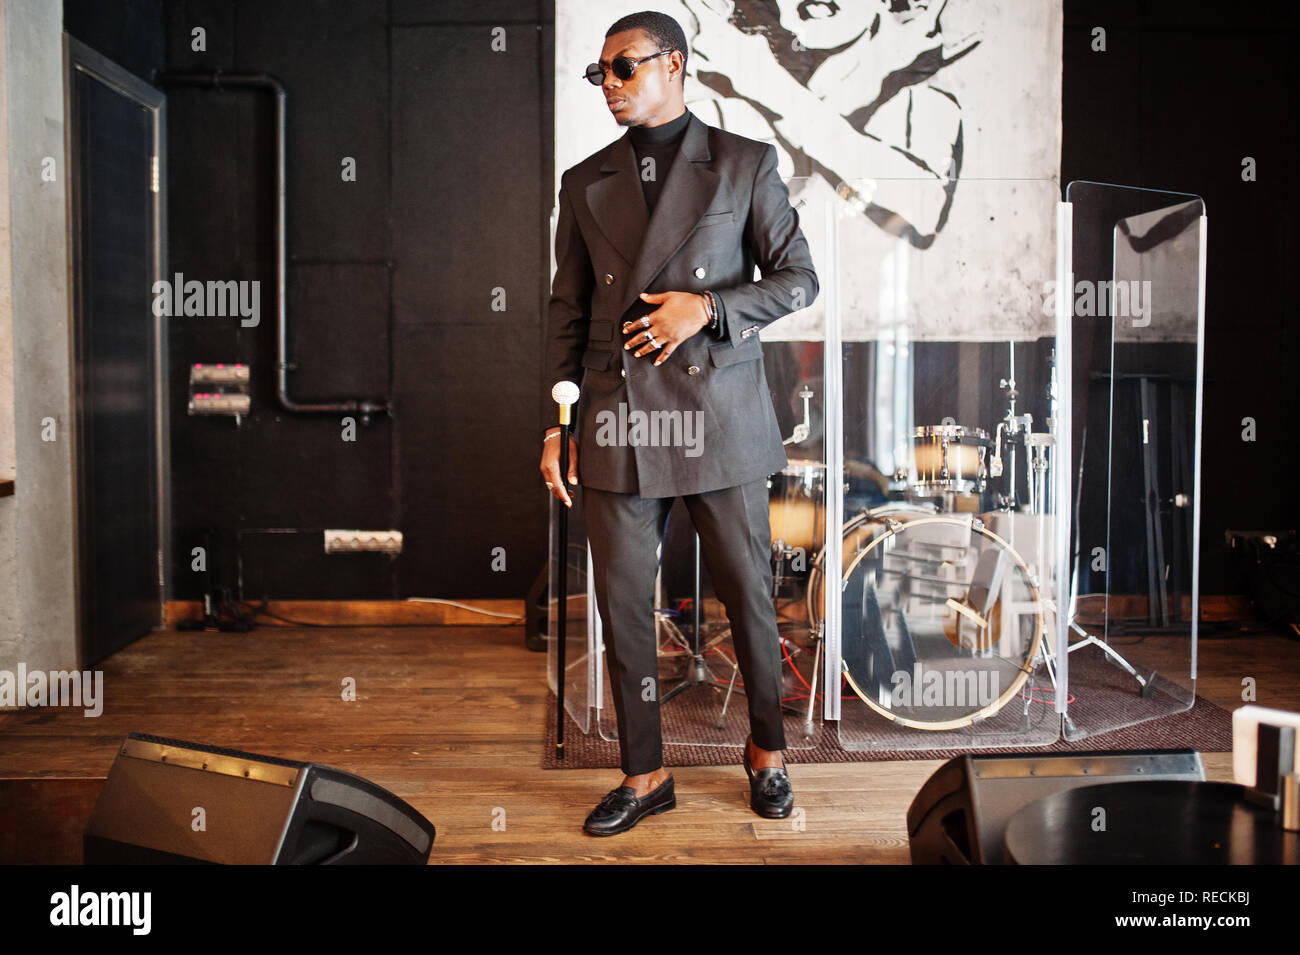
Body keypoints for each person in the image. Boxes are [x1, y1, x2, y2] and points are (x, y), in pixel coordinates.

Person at [540, 10, 818, 836]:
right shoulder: (584, 181)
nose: (610, 86)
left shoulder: (743, 164)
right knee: (624, 606)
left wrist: (709, 307)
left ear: (676, 65)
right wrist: (558, 421)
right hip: (617, 418)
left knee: (750, 600)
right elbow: (569, 309)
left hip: (717, 418)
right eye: (601, 74)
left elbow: (799, 280)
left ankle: (766, 753)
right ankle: (645, 771)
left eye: (624, 68)